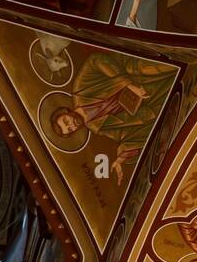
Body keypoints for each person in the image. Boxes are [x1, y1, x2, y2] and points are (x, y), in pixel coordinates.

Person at [49, 51, 175, 182]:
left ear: (66, 111)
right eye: (70, 129)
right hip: (148, 99)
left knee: (149, 68)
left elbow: (96, 59)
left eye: (66, 121)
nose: (72, 125)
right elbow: (124, 135)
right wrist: (120, 159)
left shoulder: (80, 89)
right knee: (160, 110)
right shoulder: (98, 127)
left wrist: (129, 85)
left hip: (132, 72)